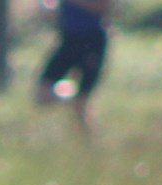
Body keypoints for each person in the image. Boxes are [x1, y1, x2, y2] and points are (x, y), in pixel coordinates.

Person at [34, 0, 113, 134]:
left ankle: (89, 143)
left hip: (92, 40)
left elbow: (106, 7)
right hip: (69, 40)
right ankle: (74, 95)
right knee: (43, 93)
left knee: (81, 106)